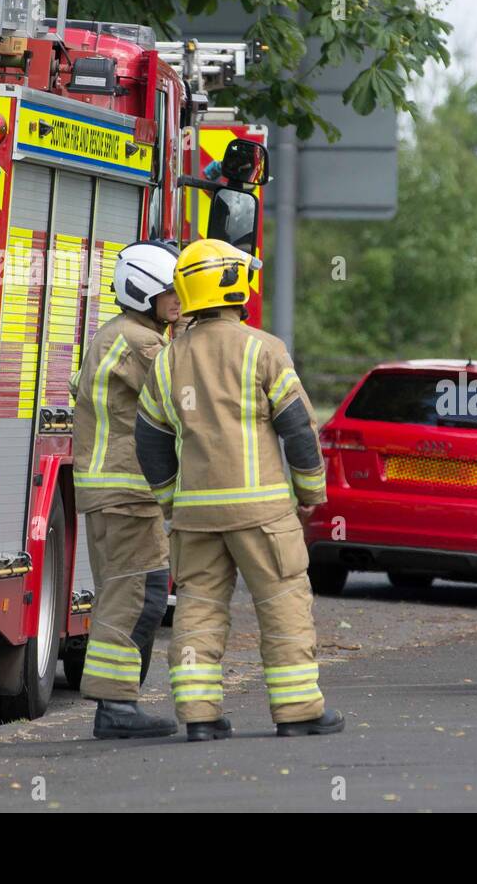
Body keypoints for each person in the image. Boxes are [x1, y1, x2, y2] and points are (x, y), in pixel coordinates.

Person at [135, 238, 344, 741]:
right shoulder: (263, 349)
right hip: (263, 512)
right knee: (283, 603)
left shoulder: (168, 359)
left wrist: (169, 499)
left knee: (199, 610)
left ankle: (199, 717)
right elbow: (297, 427)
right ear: (233, 284)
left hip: (196, 518)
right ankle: (297, 712)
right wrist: (311, 491)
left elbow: (149, 438)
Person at [71, 240, 181, 740]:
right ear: (143, 293)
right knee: (135, 594)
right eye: (170, 295)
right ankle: (116, 708)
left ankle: (119, 705)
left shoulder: (114, 333)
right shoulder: (143, 343)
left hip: (112, 492)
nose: (178, 303)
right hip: (127, 493)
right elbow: (183, 400)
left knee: (134, 591)